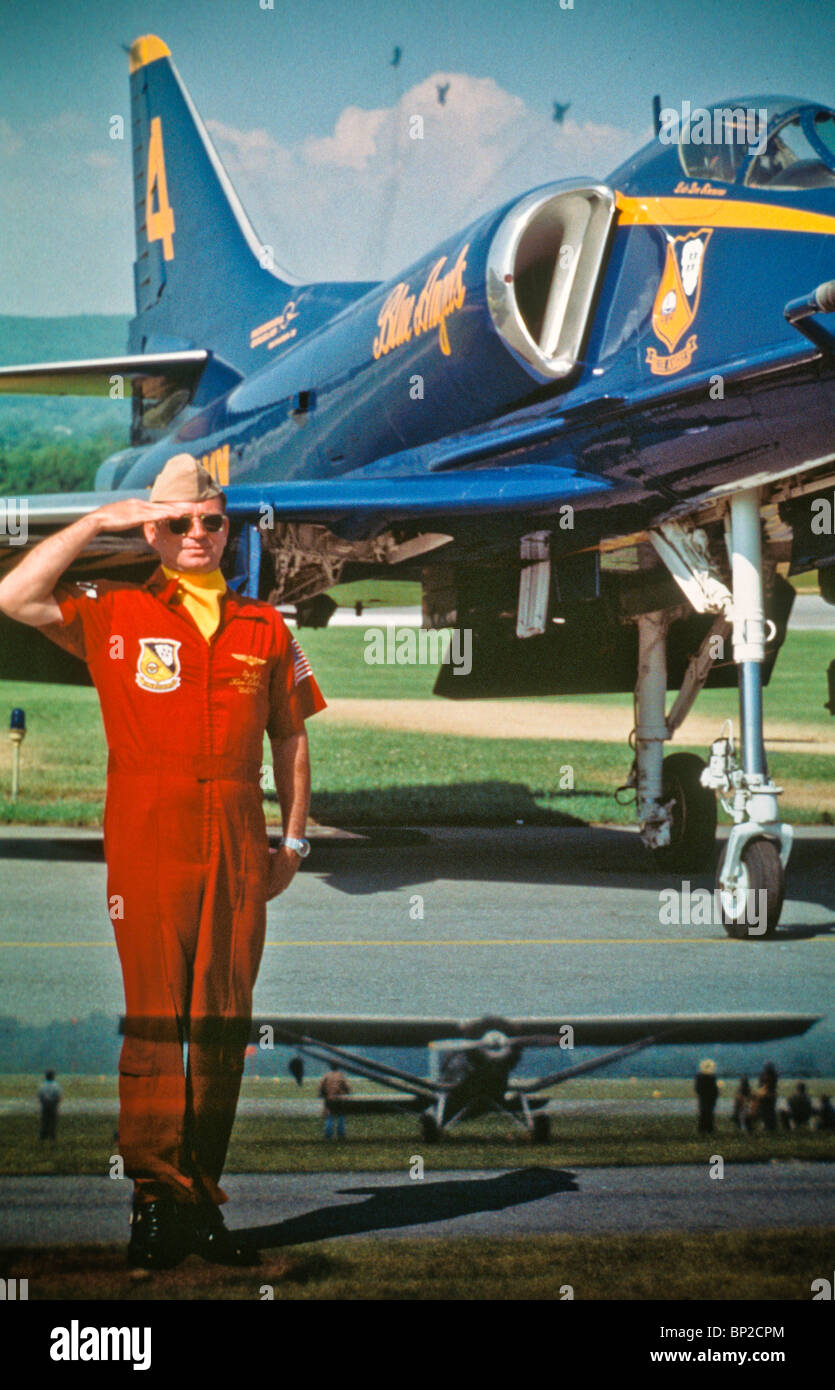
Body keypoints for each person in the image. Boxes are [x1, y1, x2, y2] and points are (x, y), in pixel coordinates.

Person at [0, 455, 326, 1269]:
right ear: (152, 530)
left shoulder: (265, 627)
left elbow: (291, 737)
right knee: (155, 1021)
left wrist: (293, 841)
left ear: (226, 526)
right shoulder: (112, 611)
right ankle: (152, 1200)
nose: (196, 534)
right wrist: (93, 523)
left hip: (237, 833)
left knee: (221, 1023)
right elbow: (14, 596)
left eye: (210, 521)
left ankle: (199, 1200)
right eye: (177, 522)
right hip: (147, 832)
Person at [319, 1066, 351, 1140]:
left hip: (329, 1099)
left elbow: (321, 1087)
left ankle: (328, 1135)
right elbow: (347, 1088)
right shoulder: (341, 1076)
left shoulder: (326, 1076)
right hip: (340, 1099)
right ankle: (341, 1134)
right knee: (341, 1116)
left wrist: (324, 1095)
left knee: (330, 1117)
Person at [751, 1062, 778, 1133]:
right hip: (766, 1096)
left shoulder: (767, 1077)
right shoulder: (772, 1077)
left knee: (767, 1110)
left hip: (766, 1096)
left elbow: (762, 1088)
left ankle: (766, 1125)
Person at [694, 1058, 719, 1133]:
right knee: (708, 1112)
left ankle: (704, 1128)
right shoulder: (712, 1077)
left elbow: (697, 1088)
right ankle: (707, 1128)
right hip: (708, 1098)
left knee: (704, 1112)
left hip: (704, 1097)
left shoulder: (700, 1077)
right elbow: (715, 1089)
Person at [38, 1069, 62, 1141]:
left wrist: (43, 1103)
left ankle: (43, 1136)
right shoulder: (56, 1085)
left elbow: (40, 1096)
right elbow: (58, 1096)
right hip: (53, 1105)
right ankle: (52, 1136)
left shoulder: (42, 1085)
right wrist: (56, 1103)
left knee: (45, 1121)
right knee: (53, 1121)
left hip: (45, 1104)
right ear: (53, 1076)